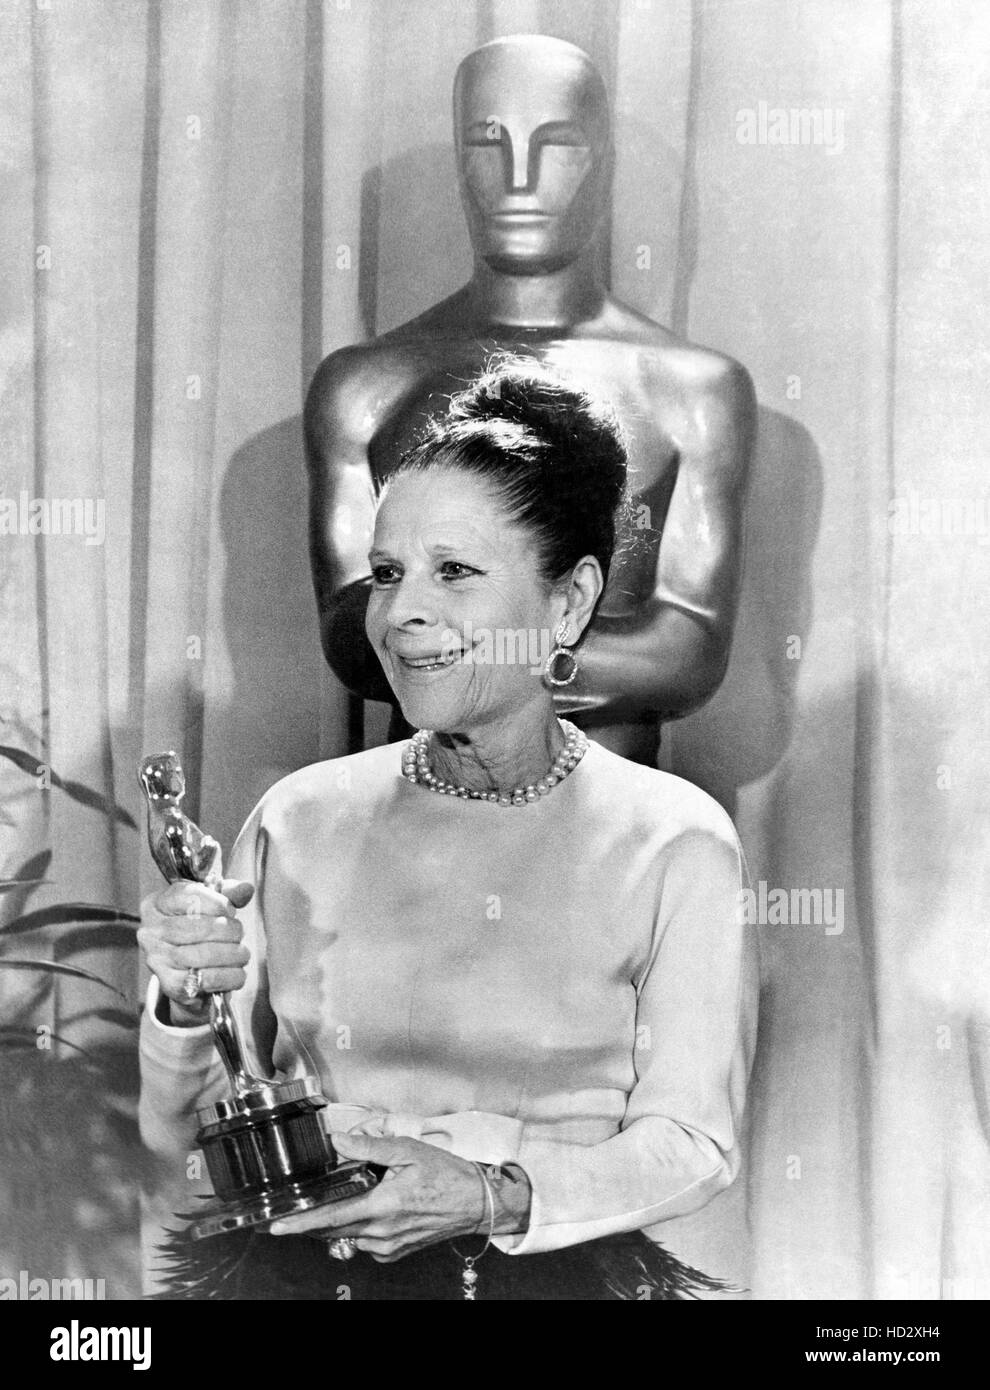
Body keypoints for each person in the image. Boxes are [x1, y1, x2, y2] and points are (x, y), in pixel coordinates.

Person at [139, 358, 758, 1301]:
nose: (404, 612)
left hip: (553, 1285)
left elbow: (693, 1145)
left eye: (456, 572)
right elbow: (179, 1130)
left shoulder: (674, 840)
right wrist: (186, 1007)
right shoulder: (301, 818)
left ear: (569, 602)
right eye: (388, 573)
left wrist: (487, 1196)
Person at [306, 34, 756, 769]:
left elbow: (690, 648)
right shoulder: (365, 384)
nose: (518, 178)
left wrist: (468, 662)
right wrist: (536, 659)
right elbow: (351, 631)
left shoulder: (695, 389)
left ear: (602, 164)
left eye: (556, 145)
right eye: (488, 144)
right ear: (459, 162)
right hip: (420, 814)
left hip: (619, 819)